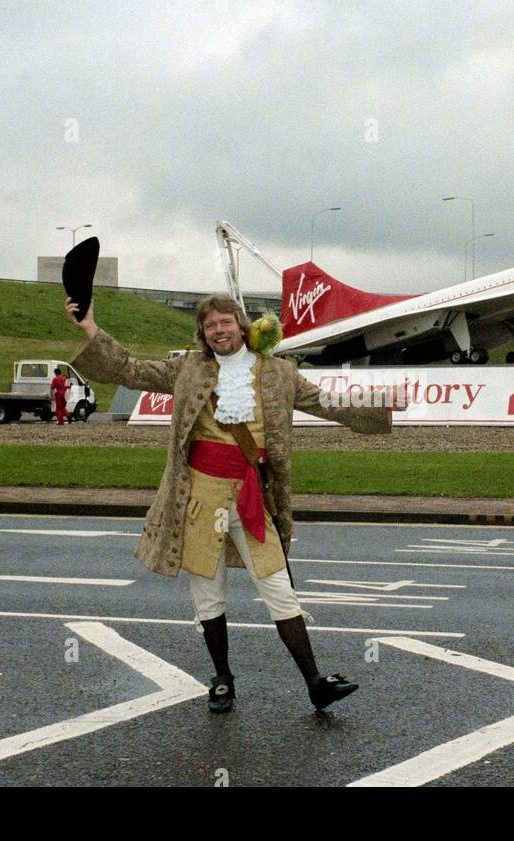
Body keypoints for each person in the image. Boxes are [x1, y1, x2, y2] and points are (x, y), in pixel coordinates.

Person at [66, 294, 405, 713]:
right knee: (208, 596)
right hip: (199, 497)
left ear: (241, 326)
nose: (219, 331)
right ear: (203, 333)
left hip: (253, 497)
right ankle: (222, 679)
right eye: (210, 326)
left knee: (279, 591)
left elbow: (326, 402)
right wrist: (90, 328)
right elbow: (129, 370)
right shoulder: (187, 368)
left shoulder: (280, 373)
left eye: (225, 322)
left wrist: (380, 403)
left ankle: (315, 683)